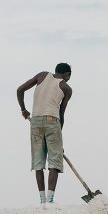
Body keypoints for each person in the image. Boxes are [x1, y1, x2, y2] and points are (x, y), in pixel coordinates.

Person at [17, 63, 72, 204]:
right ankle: (50, 199)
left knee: (38, 162)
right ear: (66, 74)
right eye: (68, 77)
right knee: (54, 161)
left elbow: (20, 89)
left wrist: (23, 109)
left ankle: (42, 200)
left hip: (35, 121)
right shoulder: (66, 87)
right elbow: (61, 114)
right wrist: (59, 140)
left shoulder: (42, 75)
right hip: (52, 121)